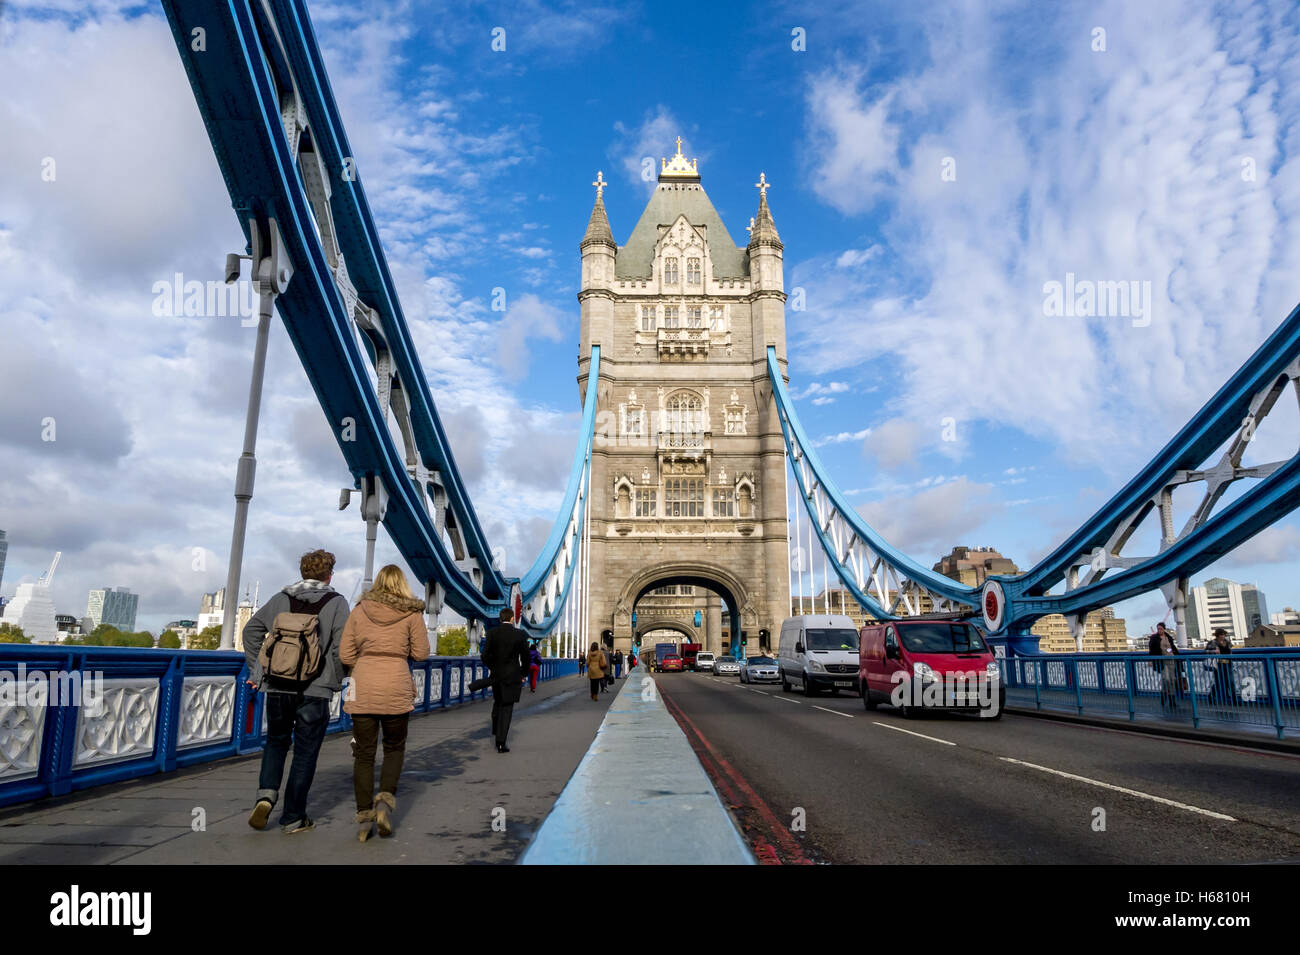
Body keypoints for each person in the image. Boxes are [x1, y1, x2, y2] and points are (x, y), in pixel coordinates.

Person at [242, 549, 350, 834]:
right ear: (329, 574)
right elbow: (341, 649)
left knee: (276, 742)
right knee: (305, 752)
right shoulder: (337, 603)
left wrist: (259, 669)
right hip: (315, 690)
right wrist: (333, 679)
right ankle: (292, 818)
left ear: (303, 572)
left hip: (277, 685)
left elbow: (251, 631)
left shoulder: (280, 599)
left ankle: (266, 795)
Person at [338, 564, 430, 842]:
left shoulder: (359, 611)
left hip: (363, 686)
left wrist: (366, 662)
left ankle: (364, 819)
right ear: (402, 584)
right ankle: (383, 805)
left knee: (364, 755)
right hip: (396, 686)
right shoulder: (412, 614)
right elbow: (422, 653)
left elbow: (345, 654)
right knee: (393, 748)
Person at [481, 609, 530, 753]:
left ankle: (496, 729)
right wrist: (523, 673)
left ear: (500, 619)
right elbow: (526, 657)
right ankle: (501, 743)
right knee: (507, 707)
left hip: (496, 675)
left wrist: (493, 667)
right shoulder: (520, 634)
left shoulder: (492, 633)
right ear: (513, 618)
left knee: (497, 702)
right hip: (512, 676)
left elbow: (484, 656)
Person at [1148, 622, 1180, 712]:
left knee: (1172, 680)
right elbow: (1151, 649)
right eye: (1158, 629)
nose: (1159, 630)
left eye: (1161, 628)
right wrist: (1150, 660)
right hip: (1162, 661)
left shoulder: (1168, 637)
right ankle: (1163, 695)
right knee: (1166, 679)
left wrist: (1173, 653)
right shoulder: (1154, 638)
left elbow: (1171, 647)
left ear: (1164, 629)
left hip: (1171, 660)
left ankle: (1172, 701)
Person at [1204, 628, 1237, 707]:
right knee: (1218, 683)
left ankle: (1234, 700)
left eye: (1224, 634)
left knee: (1231, 682)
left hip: (1228, 664)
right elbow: (1205, 651)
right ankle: (1211, 696)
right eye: (1221, 635)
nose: (1223, 636)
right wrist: (1214, 652)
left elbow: (1231, 651)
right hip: (1218, 665)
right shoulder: (1213, 642)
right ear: (1217, 635)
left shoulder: (1227, 642)